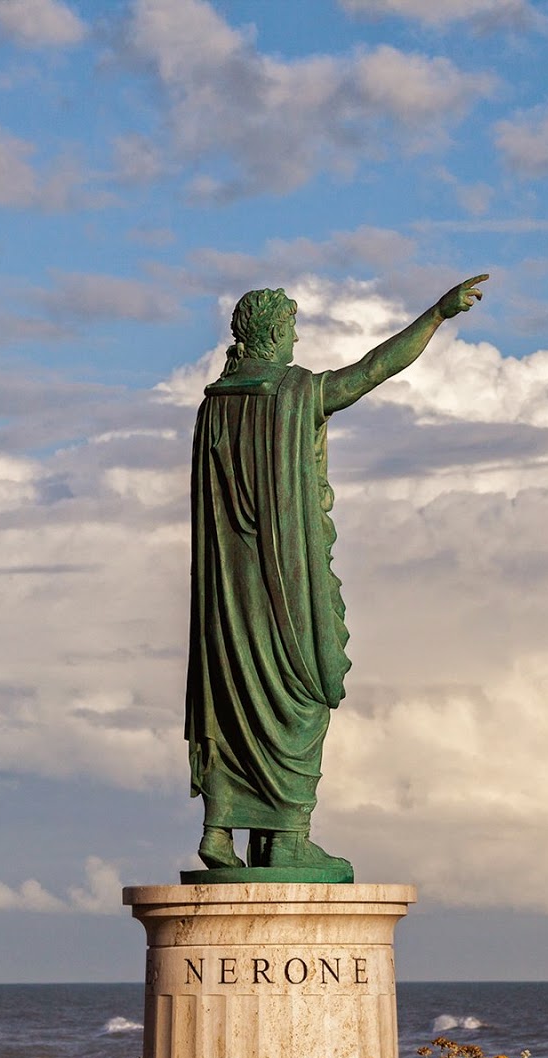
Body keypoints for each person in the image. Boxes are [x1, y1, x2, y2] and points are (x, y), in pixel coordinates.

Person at [186, 276, 489, 877]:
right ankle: (289, 837)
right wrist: (435, 314)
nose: (296, 340)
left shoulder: (213, 406)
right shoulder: (293, 394)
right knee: (302, 693)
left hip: (227, 588)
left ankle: (226, 831)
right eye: (292, 330)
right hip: (281, 582)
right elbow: (370, 372)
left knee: (234, 695)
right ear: (273, 334)